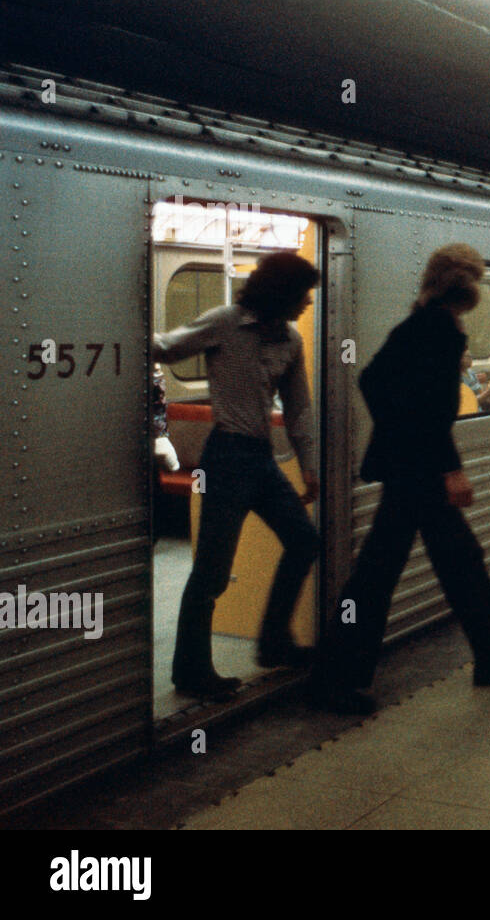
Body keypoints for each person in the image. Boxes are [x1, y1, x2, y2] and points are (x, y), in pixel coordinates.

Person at [310, 243, 490, 715]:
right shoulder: (438, 330)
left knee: (454, 560)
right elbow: (430, 411)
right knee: (382, 572)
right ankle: (337, 678)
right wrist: (448, 468)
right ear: (465, 286)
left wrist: (395, 435)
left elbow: (373, 380)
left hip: (412, 466)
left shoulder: (421, 323)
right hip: (422, 471)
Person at [152, 252, 321, 701]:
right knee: (212, 570)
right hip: (225, 456)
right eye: (303, 293)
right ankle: (191, 671)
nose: (307, 302)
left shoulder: (289, 341)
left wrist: (308, 463)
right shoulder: (226, 322)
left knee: (305, 540)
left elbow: (300, 407)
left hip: (261, 459)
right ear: (282, 292)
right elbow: (167, 347)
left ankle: (273, 642)